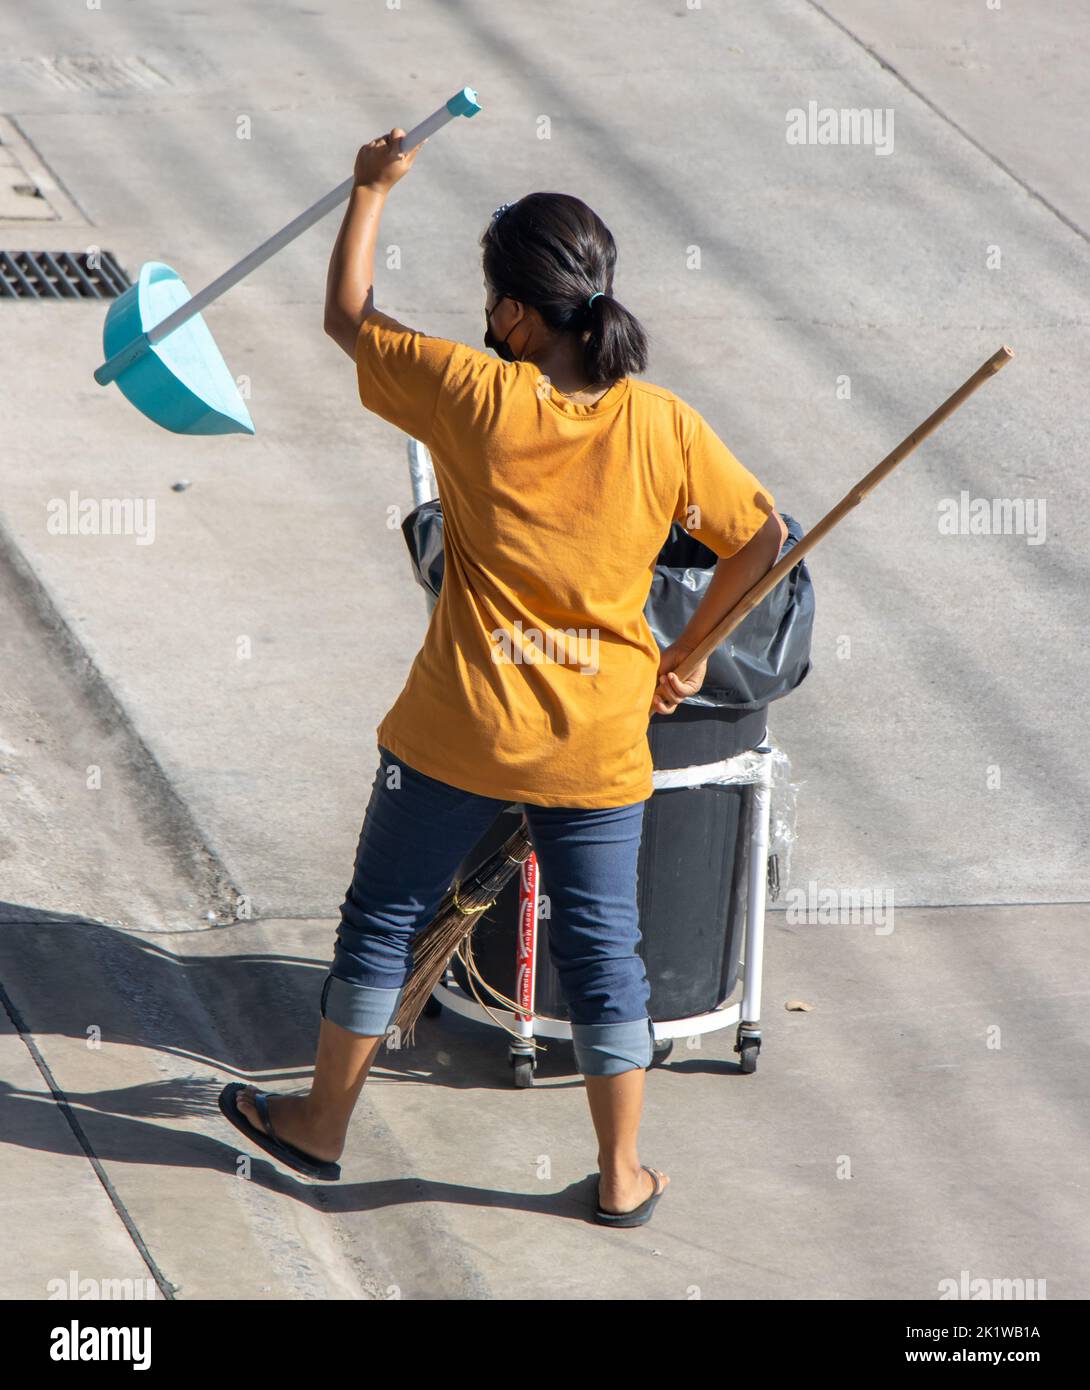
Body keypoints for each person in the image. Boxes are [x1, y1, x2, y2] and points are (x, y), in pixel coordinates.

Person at [220, 127, 786, 1227]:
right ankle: (622, 1176)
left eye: (491, 294)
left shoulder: (474, 396)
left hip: (457, 728)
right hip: (598, 735)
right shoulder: (663, 426)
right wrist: (693, 650)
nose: (485, 313)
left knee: (383, 915)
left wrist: (370, 188)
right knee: (603, 949)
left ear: (519, 315)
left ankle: (319, 1128)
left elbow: (347, 316)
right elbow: (760, 539)